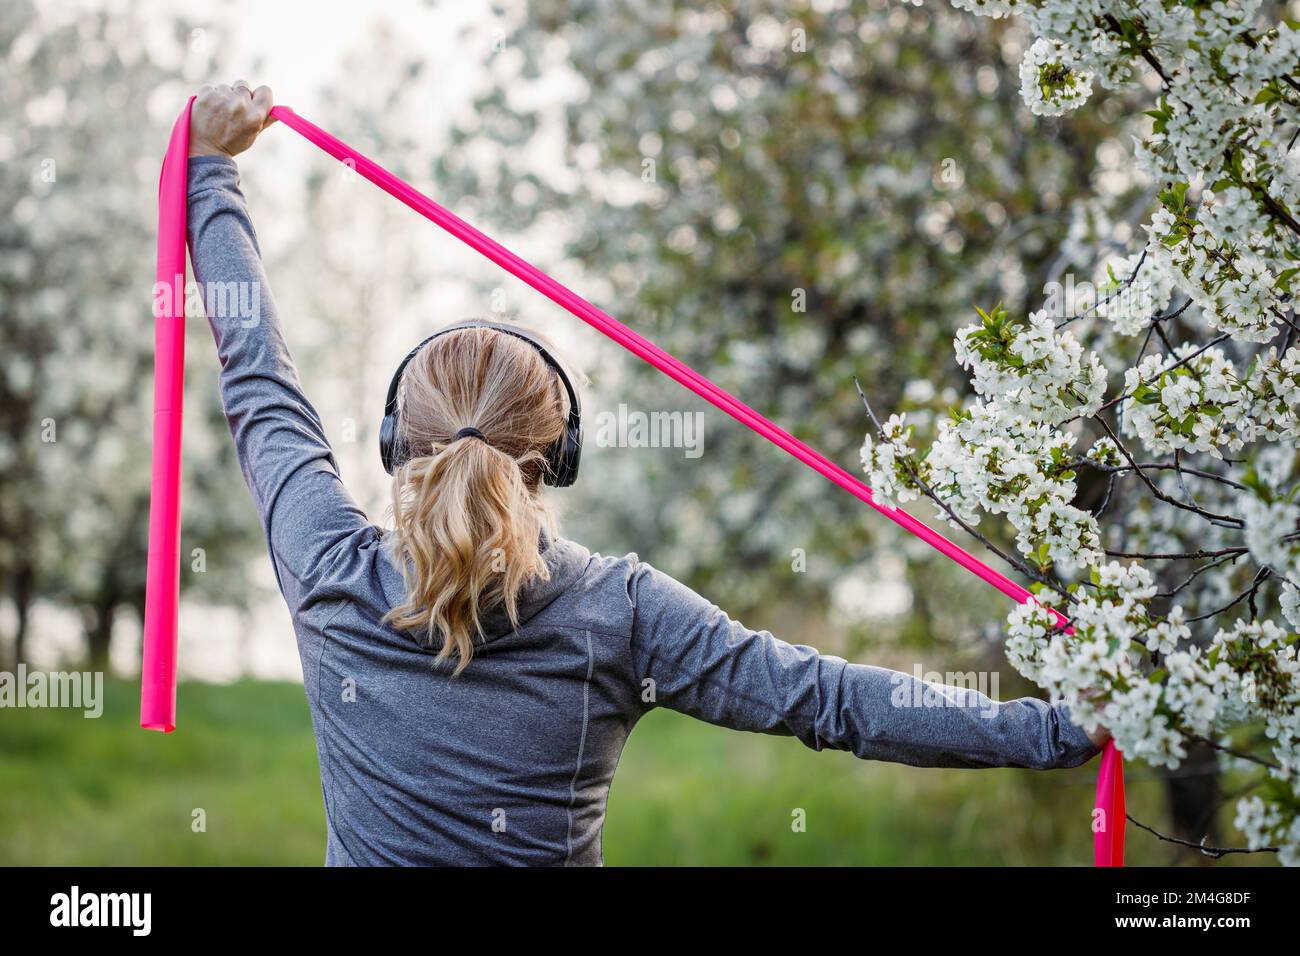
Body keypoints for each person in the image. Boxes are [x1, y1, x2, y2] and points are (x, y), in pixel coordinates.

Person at [185, 81, 1108, 866]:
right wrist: (1061, 729)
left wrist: (211, 170)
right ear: (559, 458)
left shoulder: (324, 564)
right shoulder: (618, 613)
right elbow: (830, 701)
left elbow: (256, 371)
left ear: (395, 441)